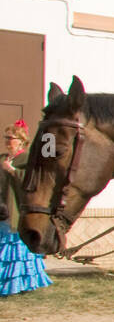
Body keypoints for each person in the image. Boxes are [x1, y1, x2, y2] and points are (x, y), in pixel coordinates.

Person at [1, 120, 53, 296]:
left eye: (11, 138)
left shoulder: (28, 158)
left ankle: (20, 285)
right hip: (2, 209)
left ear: (21, 141)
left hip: (17, 209)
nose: (7, 141)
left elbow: (35, 180)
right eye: (5, 138)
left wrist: (13, 171)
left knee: (16, 249)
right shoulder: (3, 158)